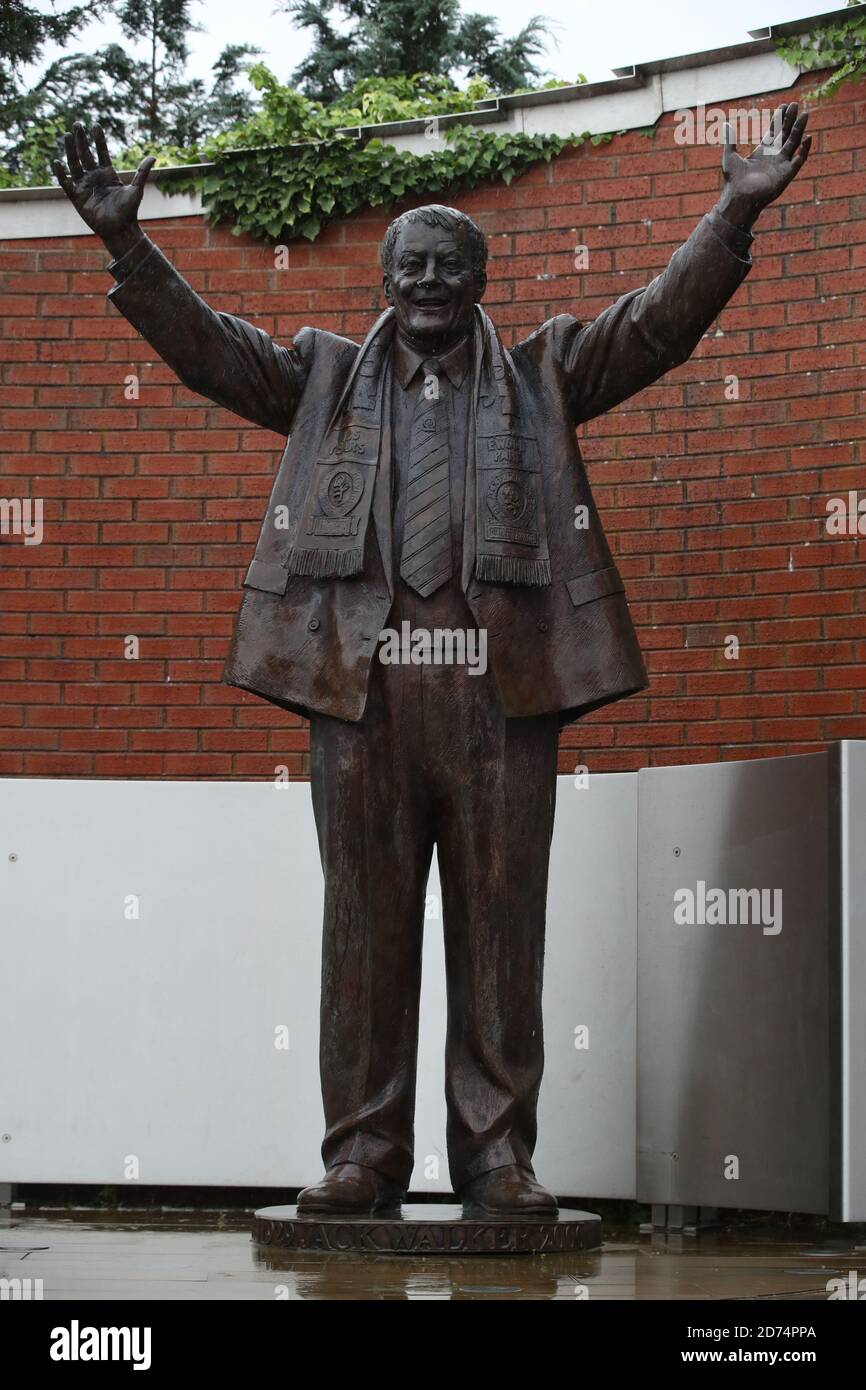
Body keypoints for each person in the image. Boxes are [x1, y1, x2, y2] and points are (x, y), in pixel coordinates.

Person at [53, 104, 810, 1217]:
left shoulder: (542, 373)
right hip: (359, 688)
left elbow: (653, 326)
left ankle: (496, 1153)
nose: (424, 283)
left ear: (477, 278)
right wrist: (130, 246)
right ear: (385, 282)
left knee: (502, 931)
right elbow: (211, 351)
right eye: (406, 266)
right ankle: (362, 1152)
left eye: (446, 266)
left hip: (500, 691)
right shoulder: (318, 377)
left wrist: (731, 214)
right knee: (361, 930)